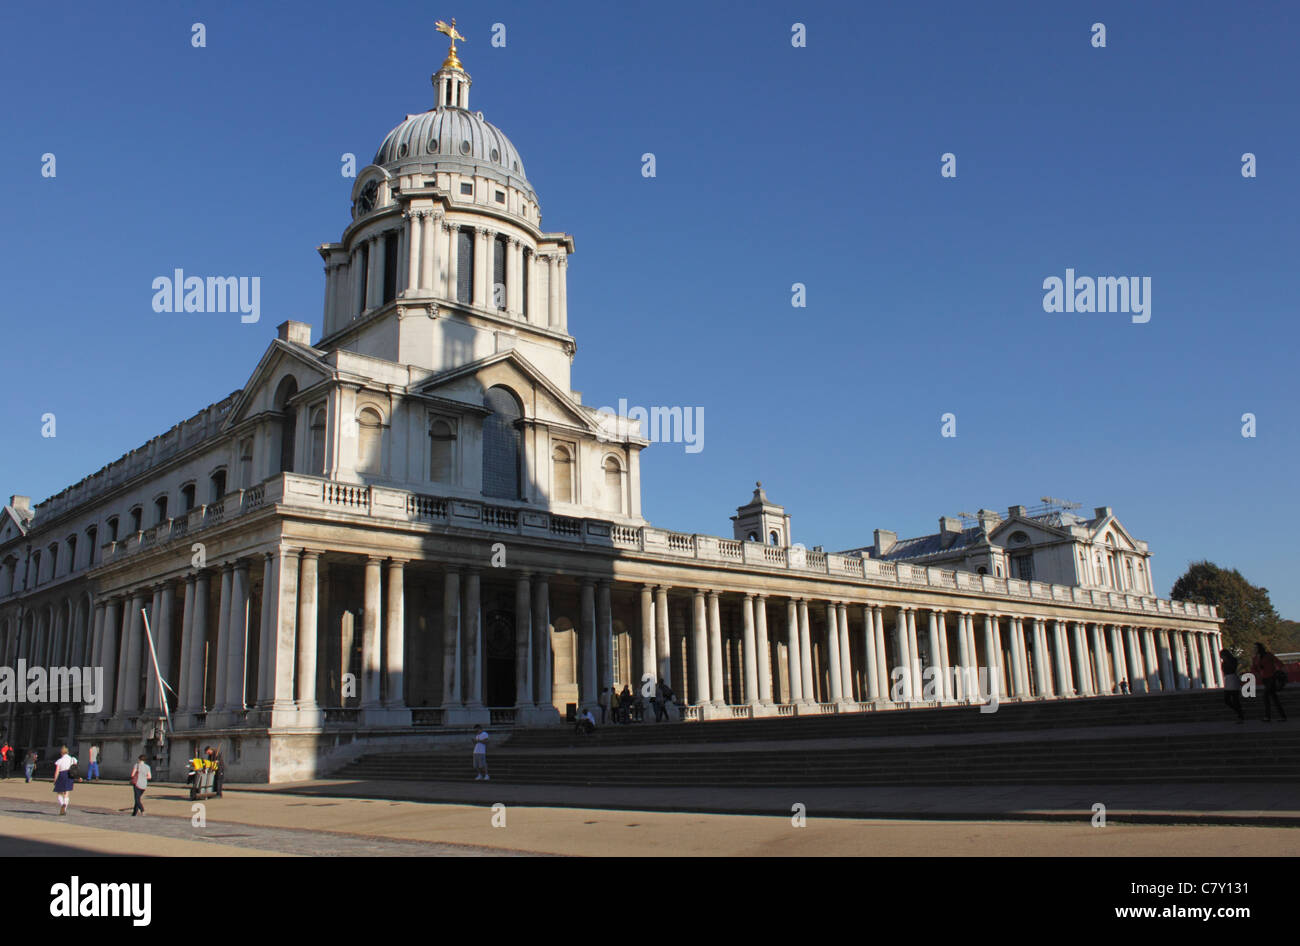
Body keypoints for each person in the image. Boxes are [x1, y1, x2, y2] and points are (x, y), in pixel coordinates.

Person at [1250, 642, 1288, 722]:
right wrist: (1257, 673)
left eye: (1255, 648)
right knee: (1274, 698)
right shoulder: (1255, 658)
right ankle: (1282, 716)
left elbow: (1278, 662)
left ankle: (1268, 716)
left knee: (1265, 696)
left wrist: (1282, 670)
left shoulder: (1268, 655)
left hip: (1272, 677)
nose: (1254, 649)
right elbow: (1254, 668)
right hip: (1265, 679)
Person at [1221, 648, 1245, 723]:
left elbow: (1233, 668)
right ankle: (1239, 712)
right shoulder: (1225, 662)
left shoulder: (1232, 660)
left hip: (1232, 678)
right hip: (1228, 679)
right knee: (1228, 699)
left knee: (1235, 699)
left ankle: (1240, 714)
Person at [52, 746, 77, 816]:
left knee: (59, 792)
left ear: (61, 753)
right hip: (69, 775)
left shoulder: (59, 760)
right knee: (67, 792)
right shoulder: (73, 759)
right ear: (67, 752)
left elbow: (57, 771)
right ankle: (65, 807)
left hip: (62, 775)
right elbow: (75, 768)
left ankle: (62, 804)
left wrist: (55, 779)